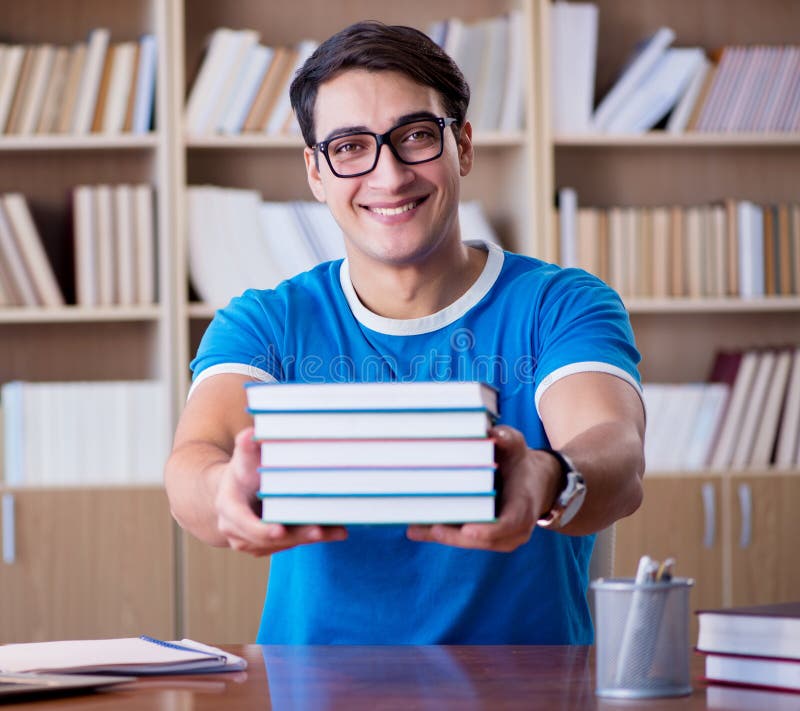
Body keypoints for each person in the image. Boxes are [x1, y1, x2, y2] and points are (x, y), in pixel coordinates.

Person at [164, 20, 645, 645]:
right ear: (315, 172)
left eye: (416, 136)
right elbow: (192, 465)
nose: (389, 176)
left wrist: (548, 476)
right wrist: (224, 493)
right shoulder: (266, 321)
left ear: (463, 146)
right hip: (314, 689)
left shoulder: (559, 304)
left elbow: (616, 451)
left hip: (526, 688)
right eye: (349, 148)